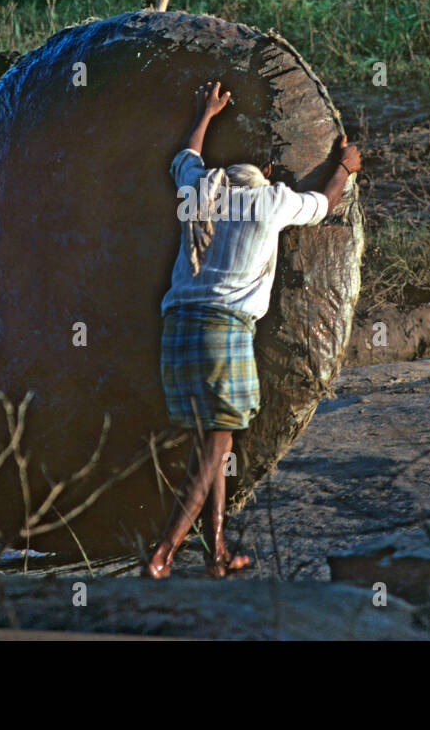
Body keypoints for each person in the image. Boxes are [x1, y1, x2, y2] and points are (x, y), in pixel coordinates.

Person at [144, 79, 360, 579]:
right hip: (224, 335)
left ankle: (216, 552)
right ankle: (162, 555)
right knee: (216, 450)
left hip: (177, 332)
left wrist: (206, 112)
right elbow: (325, 204)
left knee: (210, 446)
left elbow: (186, 154)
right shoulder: (271, 202)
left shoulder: (200, 190)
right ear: (264, 173)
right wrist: (345, 168)